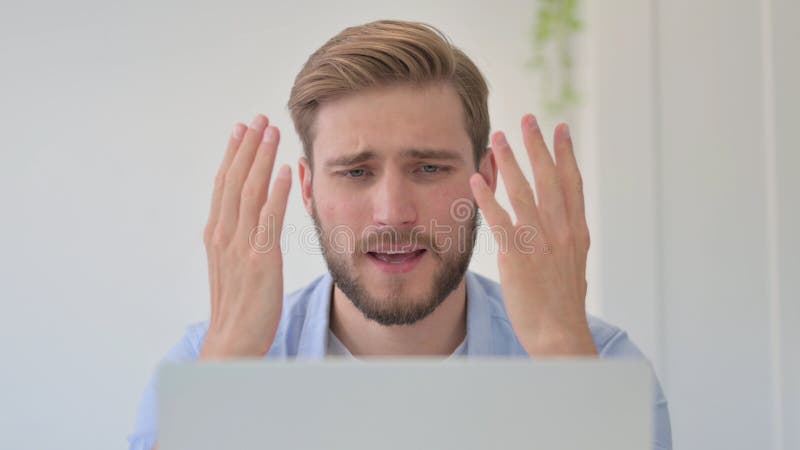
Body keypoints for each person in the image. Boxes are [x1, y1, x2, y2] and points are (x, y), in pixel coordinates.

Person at [128, 19, 672, 450]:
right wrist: (227, 371)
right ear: (309, 189)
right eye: (355, 172)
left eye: (429, 168)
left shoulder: (601, 364)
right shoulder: (201, 368)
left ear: (485, 180)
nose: (392, 214)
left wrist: (562, 359)